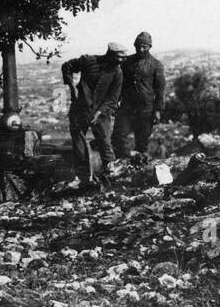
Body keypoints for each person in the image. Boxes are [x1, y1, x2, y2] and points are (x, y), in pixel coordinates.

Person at [61, 43, 126, 190]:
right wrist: (71, 86)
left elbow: (113, 98)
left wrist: (100, 112)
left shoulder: (117, 73)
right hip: (80, 107)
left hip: (101, 111)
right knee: (78, 142)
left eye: (122, 59)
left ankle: (111, 178)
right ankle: (83, 178)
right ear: (109, 55)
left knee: (105, 142)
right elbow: (67, 66)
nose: (120, 62)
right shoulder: (89, 61)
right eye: (117, 59)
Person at [112, 31, 166, 162]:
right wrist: (115, 102)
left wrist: (158, 110)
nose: (141, 49)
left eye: (144, 47)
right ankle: (122, 164)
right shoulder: (126, 62)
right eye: (138, 46)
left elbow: (160, 90)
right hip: (127, 108)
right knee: (118, 137)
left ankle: (140, 170)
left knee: (142, 144)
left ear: (149, 47)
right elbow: (119, 84)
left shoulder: (156, 65)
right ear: (135, 46)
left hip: (146, 110)